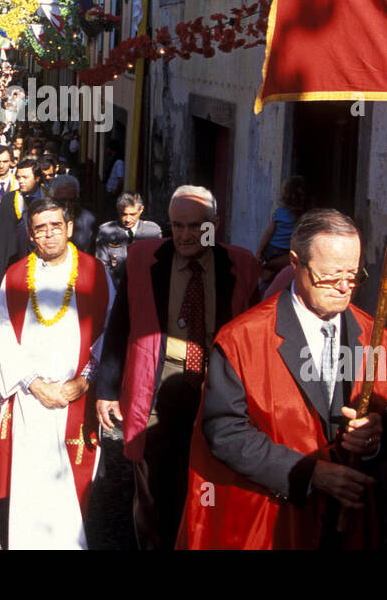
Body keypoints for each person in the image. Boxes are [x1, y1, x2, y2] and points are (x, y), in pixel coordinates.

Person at [178, 208, 387, 549]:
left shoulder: (379, 338)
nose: (344, 288)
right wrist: (309, 473)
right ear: (296, 263)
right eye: (330, 276)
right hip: (271, 520)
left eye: (354, 275)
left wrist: (375, 436)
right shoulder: (242, 339)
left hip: (350, 523)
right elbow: (224, 431)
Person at [95, 185, 262, 549]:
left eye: (195, 226)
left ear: (214, 225)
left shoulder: (241, 265)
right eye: (178, 226)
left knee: (207, 480)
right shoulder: (142, 259)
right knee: (153, 484)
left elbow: (256, 333)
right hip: (157, 380)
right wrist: (107, 389)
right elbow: (120, 321)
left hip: (215, 387)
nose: (185, 235)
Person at [0, 198, 113, 549]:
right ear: (31, 234)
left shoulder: (95, 273)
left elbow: (111, 331)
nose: (49, 234)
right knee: (31, 477)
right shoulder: (15, 276)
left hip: (77, 394)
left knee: (70, 478)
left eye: (56, 226)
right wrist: (33, 383)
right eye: (41, 228)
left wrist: (85, 378)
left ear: (70, 228)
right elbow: (1, 333)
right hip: (32, 395)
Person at [93, 192, 162, 290]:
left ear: (141, 209)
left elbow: (158, 267)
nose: (128, 219)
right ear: (118, 210)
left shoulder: (152, 231)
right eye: (124, 214)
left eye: (132, 214)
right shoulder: (106, 231)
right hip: (115, 288)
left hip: (144, 289)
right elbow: (102, 266)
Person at [255, 175, 310, 287]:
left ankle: (267, 274)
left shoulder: (279, 212)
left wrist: (259, 252)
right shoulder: (304, 217)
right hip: (288, 251)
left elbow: (268, 233)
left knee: (266, 278)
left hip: (272, 250)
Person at [49, 174, 96, 253]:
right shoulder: (41, 218)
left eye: (71, 200)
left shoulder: (88, 219)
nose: (67, 205)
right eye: (62, 200)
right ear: (52, 198)